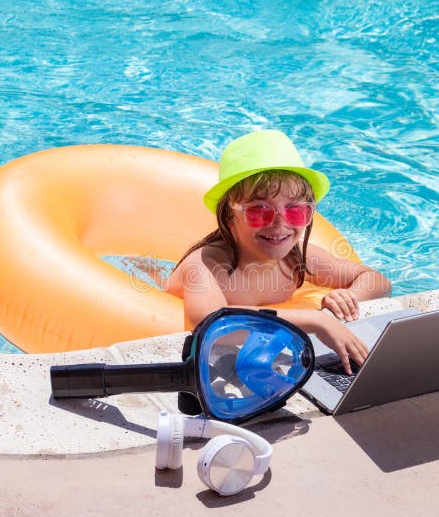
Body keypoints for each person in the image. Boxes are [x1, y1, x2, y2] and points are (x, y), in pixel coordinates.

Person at [166, 130, 392, 374]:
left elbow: (378, 281)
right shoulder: (205, 266)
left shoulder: (297, 258)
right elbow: (213, 325)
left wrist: (345, 301)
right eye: (259, 211)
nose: (279, 223)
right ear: (229, 215)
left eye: (295, 210)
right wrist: (315, 319)